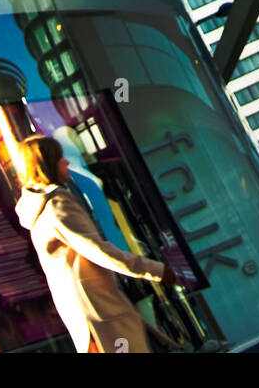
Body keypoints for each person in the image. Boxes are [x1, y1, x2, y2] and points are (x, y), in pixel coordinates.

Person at [14, 134, 175, 354]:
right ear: (47, 165)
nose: (67, 162)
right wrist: (155, 270)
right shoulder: (57, 204)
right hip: (99, 307)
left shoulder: (38, 208)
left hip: (87, 308)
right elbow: (97, 249)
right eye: (60, 157)